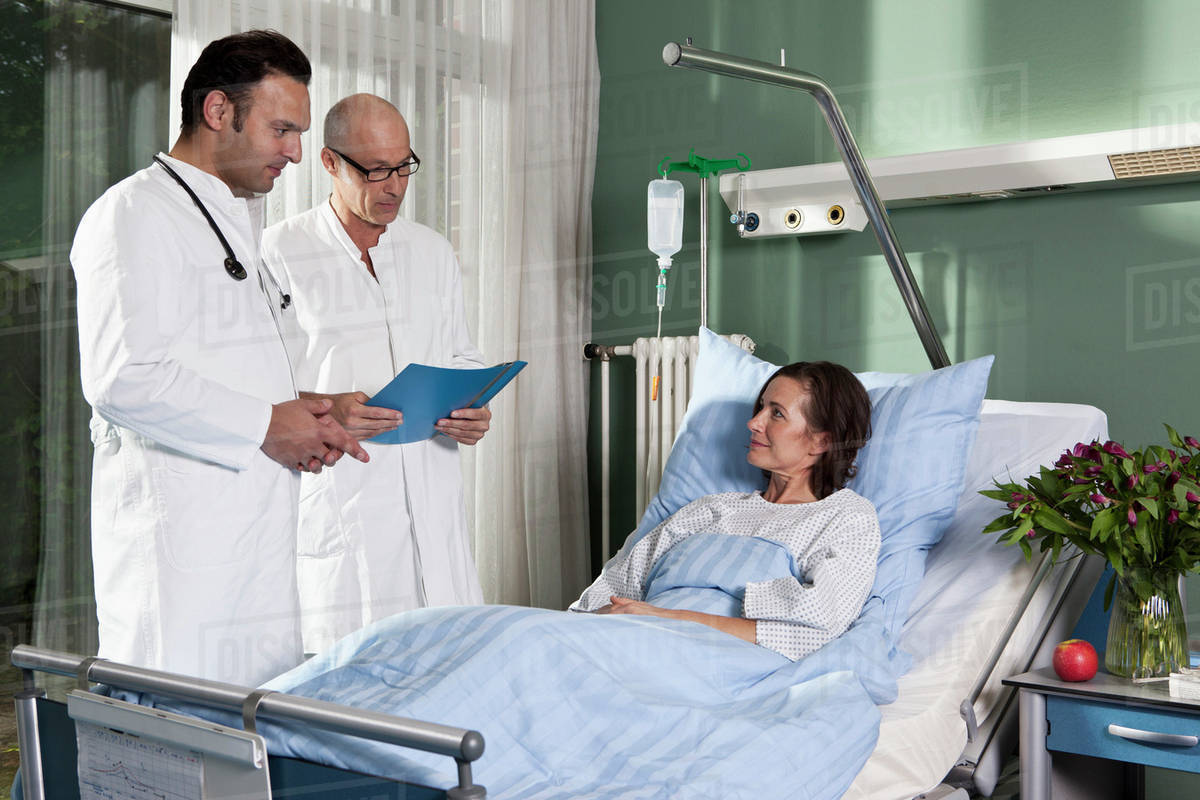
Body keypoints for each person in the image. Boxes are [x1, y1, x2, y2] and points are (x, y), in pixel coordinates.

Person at [72, 30, 368, 687]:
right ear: (217, 112)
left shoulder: (233, 223)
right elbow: (123, 378)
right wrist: (268, 423)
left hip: (252, 571)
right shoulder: (133, 215)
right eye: (282, 129)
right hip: (179, 583)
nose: (296, 152)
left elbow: (232, 374)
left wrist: (312, 410)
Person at [261, 93, 489, 654]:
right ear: (330, 163)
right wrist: (325, 405)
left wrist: (475, 409)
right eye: (376, 170)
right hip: (343, 506)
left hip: (434, 507)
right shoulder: (278, 253)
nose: (393, 186)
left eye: (403, 166)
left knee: (447, 674)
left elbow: (458, 356)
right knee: (346, 689)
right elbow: (256, 388)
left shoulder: (432, 253)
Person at [571, 361, 880, 661]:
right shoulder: (712, 509)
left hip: (711, 659)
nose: (754, 422)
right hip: (628, 638)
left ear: (821, 441)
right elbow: (615, 587)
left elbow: (816, 627)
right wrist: (595, 621)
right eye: (760, 408)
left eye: (776, 413)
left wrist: (666, 618)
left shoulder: (846, 517)